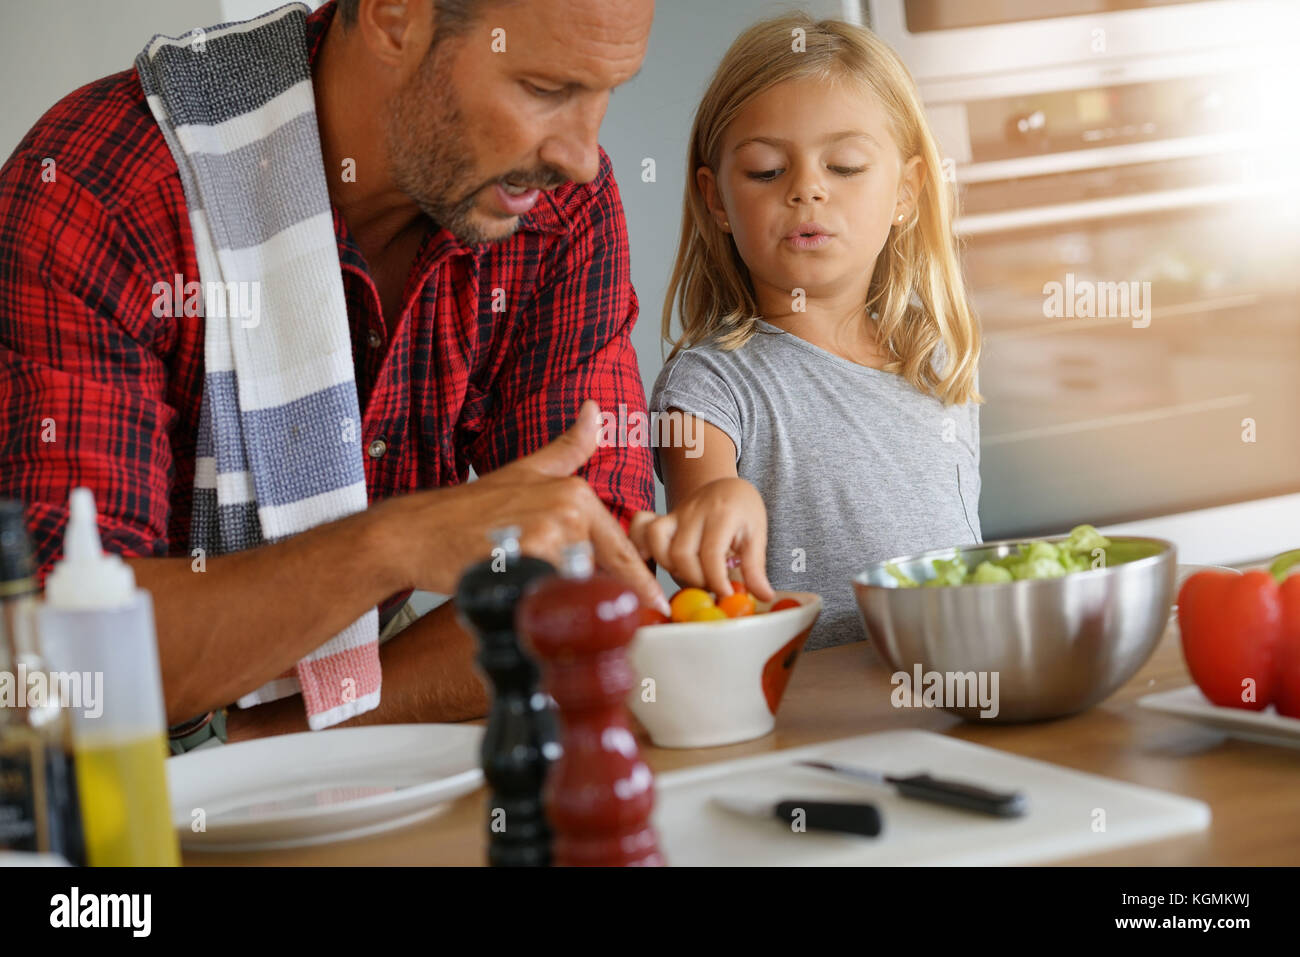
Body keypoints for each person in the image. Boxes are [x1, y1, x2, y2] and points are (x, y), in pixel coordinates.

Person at [0, 0, 665, 747]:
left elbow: (596, 567)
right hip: (101, 764)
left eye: (609, 90)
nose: (582, 154)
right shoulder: (98, 191)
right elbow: (63, 656)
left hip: (358, 716)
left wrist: (284, 736)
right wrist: (393, 544)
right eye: (546, 89)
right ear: (393, 18)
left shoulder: (561, 208)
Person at [633, 13, 984, 648]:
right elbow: (706, 524)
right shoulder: (711, 385)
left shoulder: (936, 357)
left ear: (906, 193)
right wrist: (724, 502)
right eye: (767, 171)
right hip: (806, 711)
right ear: (716, 201)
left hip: (954, 689)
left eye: (845, 166)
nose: (808, 190)